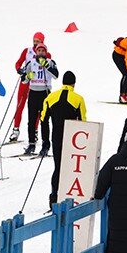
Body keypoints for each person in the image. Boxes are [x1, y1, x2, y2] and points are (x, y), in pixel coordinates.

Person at [40, 70, 87, 207]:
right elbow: (83, 121)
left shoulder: (50, 97)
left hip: (56, 136)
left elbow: (43, 120)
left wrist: (45, 141)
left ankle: (54, 197)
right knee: (71, 168)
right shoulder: (78, 98)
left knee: (58, 167)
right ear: (74, 84)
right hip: (72, 138)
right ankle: (69, 197)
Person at [19, 42, 59, 156]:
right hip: (33, 93)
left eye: (43, 51)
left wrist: (47, 66)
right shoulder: (31, 63)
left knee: (44, 120)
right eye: (39, 51)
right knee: (31, 120)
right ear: (36, 52)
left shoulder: (50, 62)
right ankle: (31, 144)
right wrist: (28, 76)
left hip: (45, 93)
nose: (41, 53)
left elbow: (56, 75)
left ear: (46, 52)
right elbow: (23, 80)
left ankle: (45, 145)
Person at [9, 32, 47, 143]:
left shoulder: (46, 53)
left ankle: (35, 131)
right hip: (26, 82)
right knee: (20, 105)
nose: (35, 44)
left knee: (36, 110)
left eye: (38, 41)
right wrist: (19, 70)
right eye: (34, 41)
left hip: (37, 85)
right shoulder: (27, 51)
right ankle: (15, 130)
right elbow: (18, 63)